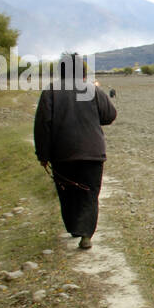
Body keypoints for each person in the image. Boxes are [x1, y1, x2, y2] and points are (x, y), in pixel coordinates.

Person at [34, 52, 116, 250]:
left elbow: (42, 126)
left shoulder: (50, 92)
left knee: (67, 193)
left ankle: (74, 228)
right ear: (83, 73)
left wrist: (43, 155)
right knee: (90, 193)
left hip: (62, 155)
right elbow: (109, 115)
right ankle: (86, 234)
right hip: (93, 154)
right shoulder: (92, 91)